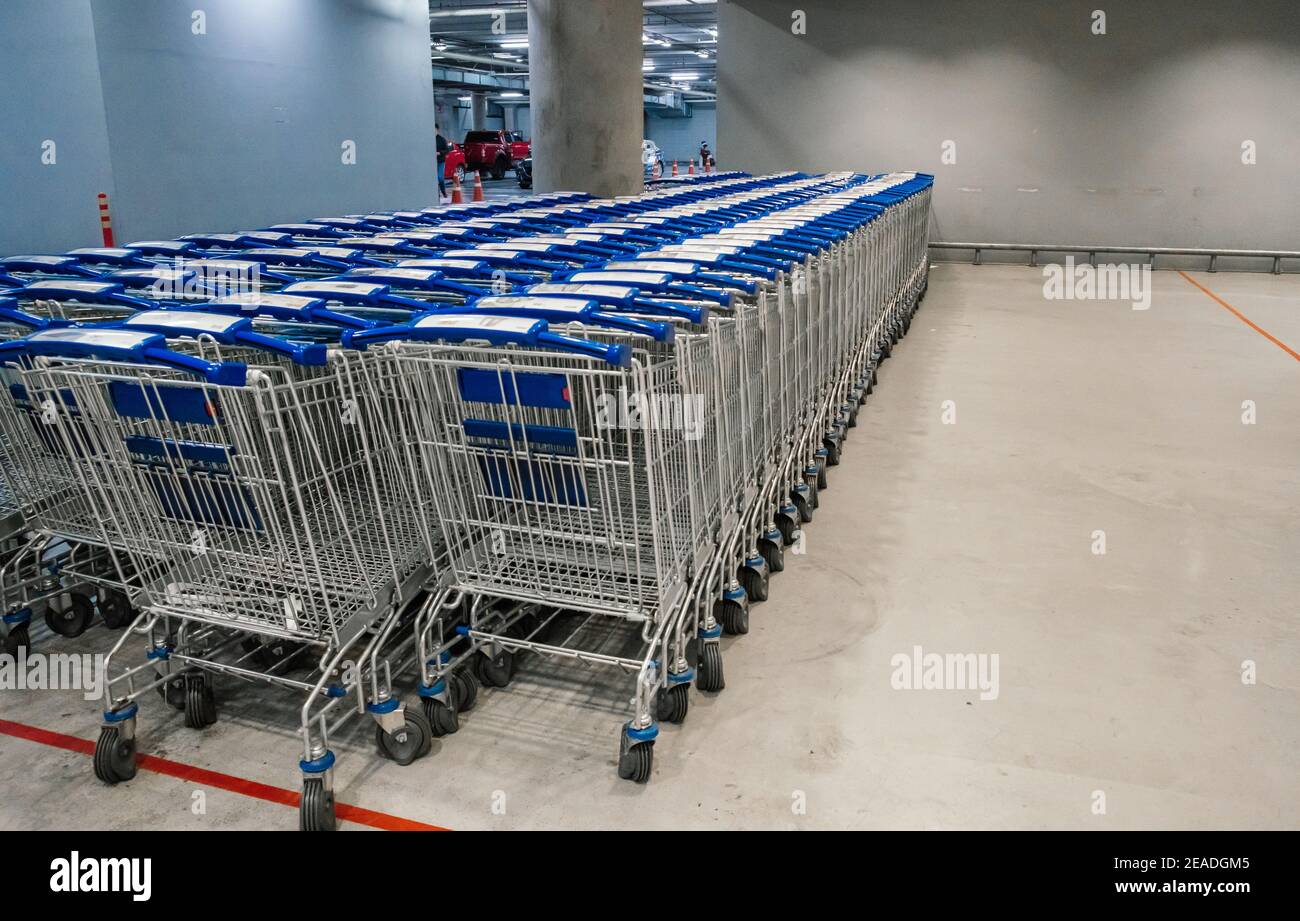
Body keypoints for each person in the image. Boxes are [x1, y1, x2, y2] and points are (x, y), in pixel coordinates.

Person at [436, 130, 449, 201]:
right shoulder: (429, 138)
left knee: (440, 177)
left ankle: (443, 191)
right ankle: (436, 193)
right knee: (434, 179)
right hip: (431, 163)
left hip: (440, 161)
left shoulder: (442, 139)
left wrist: (440, 153)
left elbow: (447, 150)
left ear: (437, 130)